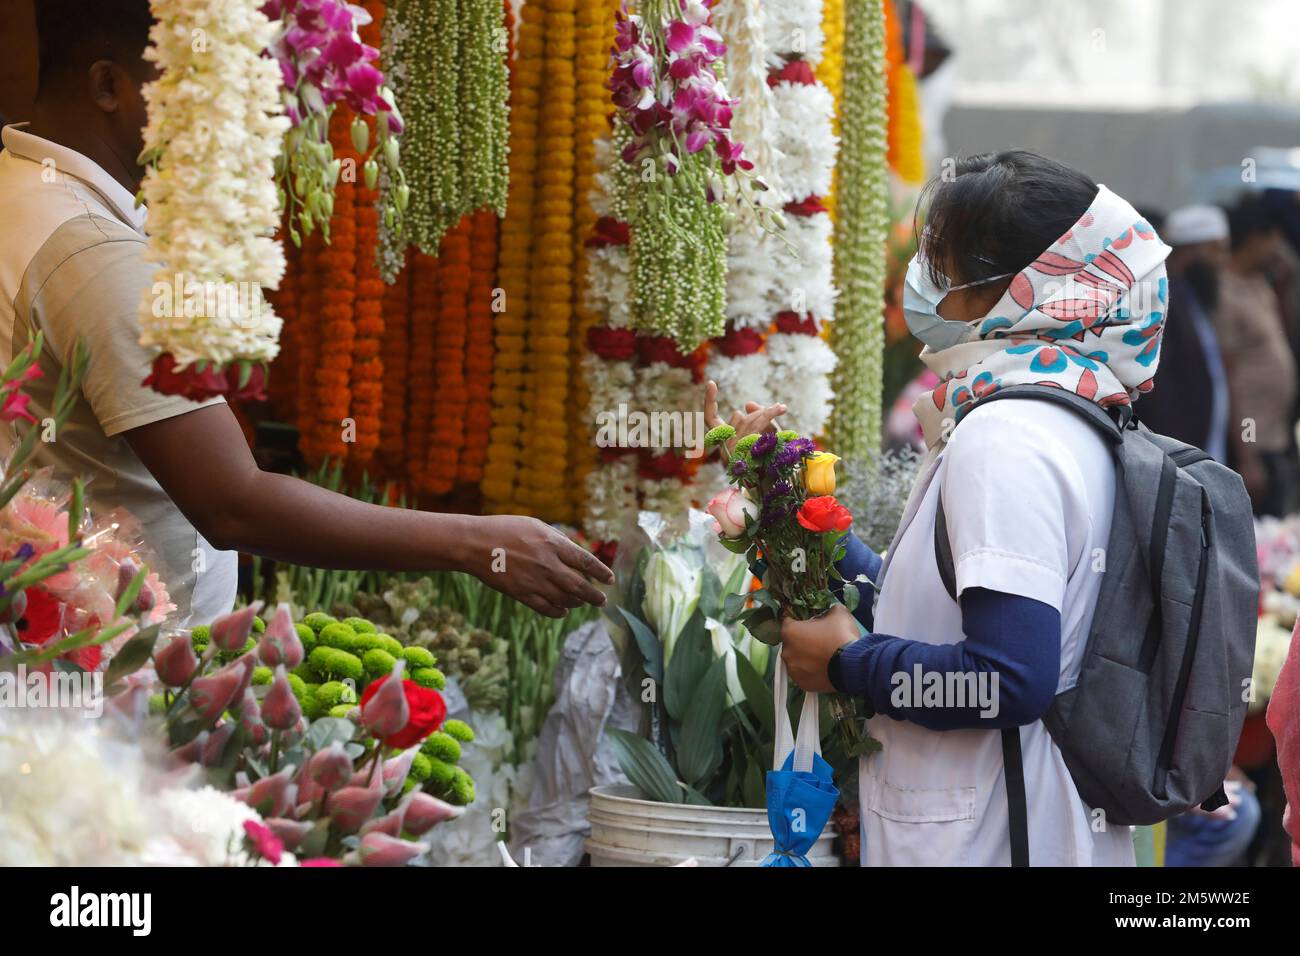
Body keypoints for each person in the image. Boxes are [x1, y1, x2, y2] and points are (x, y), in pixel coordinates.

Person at [0, 2, 613, 626]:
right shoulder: (94, 252)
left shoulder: (23, 184)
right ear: (109, 86)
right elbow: (234, 503)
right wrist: (477, 543)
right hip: (127, 669)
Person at [710, 150, 1171, 866]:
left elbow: (1009, 678)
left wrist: (847, 665)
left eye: (946, 271)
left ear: (1024, 292)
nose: (925, 289)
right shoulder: (1055, 412)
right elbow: (916, 603)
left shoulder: (1006, 439)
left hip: (993, 837)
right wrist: (783, 499)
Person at [1216, 195, 1297, 516]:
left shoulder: (1260, 283)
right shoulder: (1225, 292)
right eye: (1273, 239)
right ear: (1254, 239)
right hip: (1252, 440)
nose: (1279, 247)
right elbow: (1227, 373)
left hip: (1276, 436)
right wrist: (1246, 457)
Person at [1134, 205, 1230, 462]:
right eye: (1215, 249)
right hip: (1178, 454)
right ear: (1189, 250)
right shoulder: (1166, 301)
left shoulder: (1192, 297)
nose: (1222, 259)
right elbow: (1160, 388)